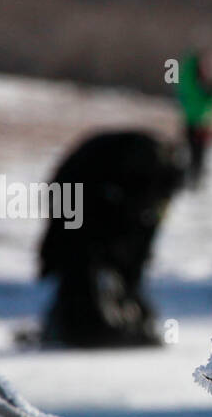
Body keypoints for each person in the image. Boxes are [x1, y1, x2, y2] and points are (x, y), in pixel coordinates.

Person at [37, 130, 187, 348]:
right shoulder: (144, 166)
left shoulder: (156, 182)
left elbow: (143, 234)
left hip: (92, 189)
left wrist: (133, 271)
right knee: (79, 256)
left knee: (100, 255)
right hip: (73, 189)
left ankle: (97, 321)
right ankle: (76, 324)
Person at [176, 50, 212, 188]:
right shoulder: (193, 83)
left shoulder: (192, 80)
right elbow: (199, 103)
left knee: (197, 156)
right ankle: (194, 183)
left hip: (200, 124)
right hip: (196, 123)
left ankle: (195, 182)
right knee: (196, 157)